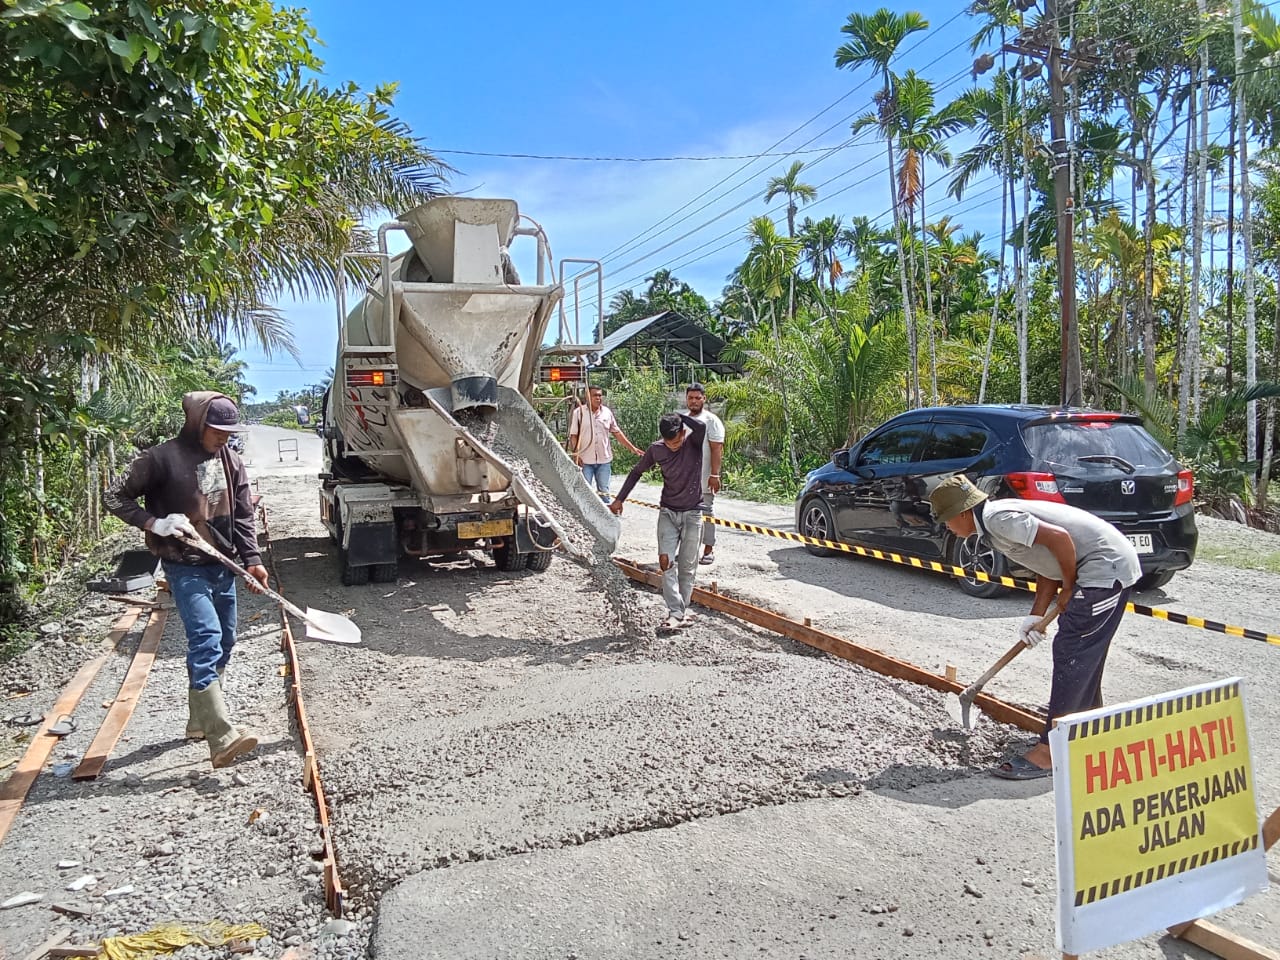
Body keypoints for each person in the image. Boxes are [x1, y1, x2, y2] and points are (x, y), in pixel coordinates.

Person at [928, 475, 1140, 780]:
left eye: (947, 520)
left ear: (963, 513)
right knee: (1082, 655)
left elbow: (1060, 539)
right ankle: (1088, 731)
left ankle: (1050, 752)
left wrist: (1069, 588)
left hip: (1105, 570)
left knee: (1072, 652)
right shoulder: (992, 521)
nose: (948, 527)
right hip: (1099, 567)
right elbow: (1046, 559)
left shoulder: (998, 520)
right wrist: (1036, 616)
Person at [104, 392, 267, 768]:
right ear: (196, 423)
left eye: (229, 432)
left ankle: (198, 722)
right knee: (206, 638)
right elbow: (113, 496)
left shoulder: (230, 460)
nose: (223, 437)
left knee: (225, 640)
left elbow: (243, 514)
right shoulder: (159, 458)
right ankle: (221, 735)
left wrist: (253, 560)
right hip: (183, 565)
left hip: (223, 564)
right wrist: (153, 523)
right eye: (217, 430)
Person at [610, 412, 708, 632]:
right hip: (668, 513)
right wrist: (619, 499)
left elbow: (701, 426)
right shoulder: (657, 449)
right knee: (665, 562)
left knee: (688, 566)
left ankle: (681, 611)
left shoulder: (693, 442)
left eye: (675, 441)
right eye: (668, 442)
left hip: (693, 513)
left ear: (682, 433)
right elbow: (636, 472)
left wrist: (680, 416)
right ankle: (675, 612)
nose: (672, 446)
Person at [567, 386, 643, 502]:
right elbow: (574, 436)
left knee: (604, 492)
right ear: (588, 397)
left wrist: (632, 448)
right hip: (585, 461)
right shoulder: (579, 413)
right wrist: (576, 455)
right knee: (584, 493)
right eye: (595, 395)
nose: (598, 398)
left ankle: (605, 512)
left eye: (600, 395)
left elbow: (616, 432)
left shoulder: (607, 412)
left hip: (604, 460)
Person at [681, 383, 725, 565]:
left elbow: (717, 449)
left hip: (704, 477)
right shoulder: (682, 420)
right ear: (686, 399)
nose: (694, 401)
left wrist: (714, 475)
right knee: (686, 515)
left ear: (704, 399)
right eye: (690, 398)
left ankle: (708, 549)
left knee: (706, 512)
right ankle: (689, 550)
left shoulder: (711, 420)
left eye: (697, 398)